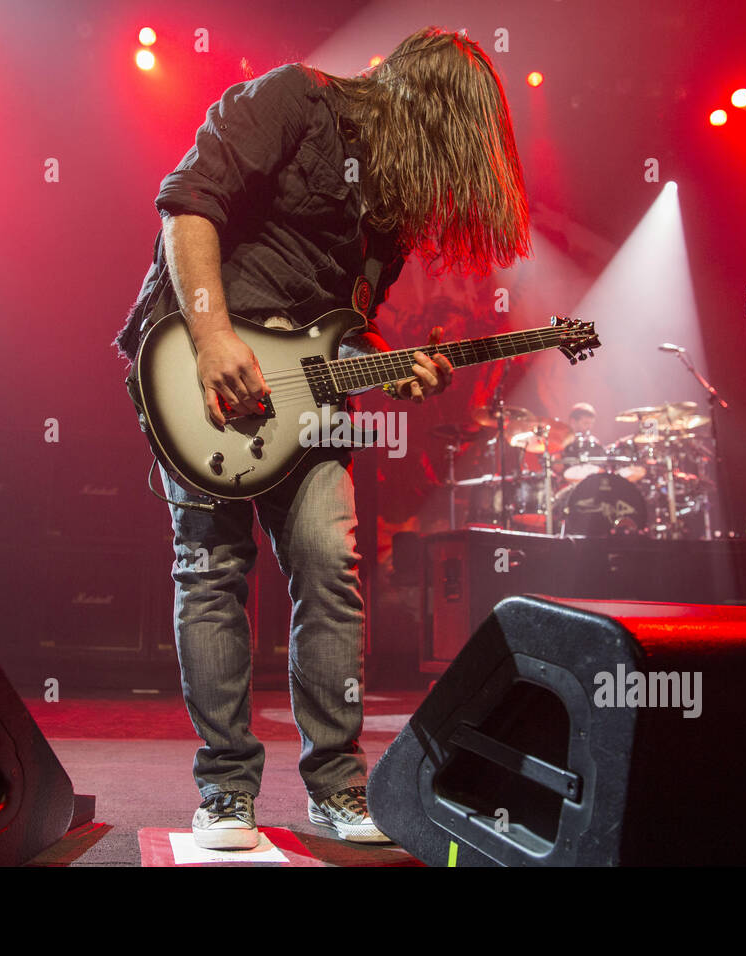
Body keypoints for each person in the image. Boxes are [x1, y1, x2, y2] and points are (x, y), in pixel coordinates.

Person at [114, 27, 530, 849]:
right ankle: (225, 792)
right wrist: (212, 338)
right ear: (424, 112)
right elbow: (187, 204)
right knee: (212, 571)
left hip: (306, 410)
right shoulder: (291, 99)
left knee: (331, 569)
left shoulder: (391, 211)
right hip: (201, 370)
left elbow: (348, 332)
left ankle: (337, 787)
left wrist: (393, 368)